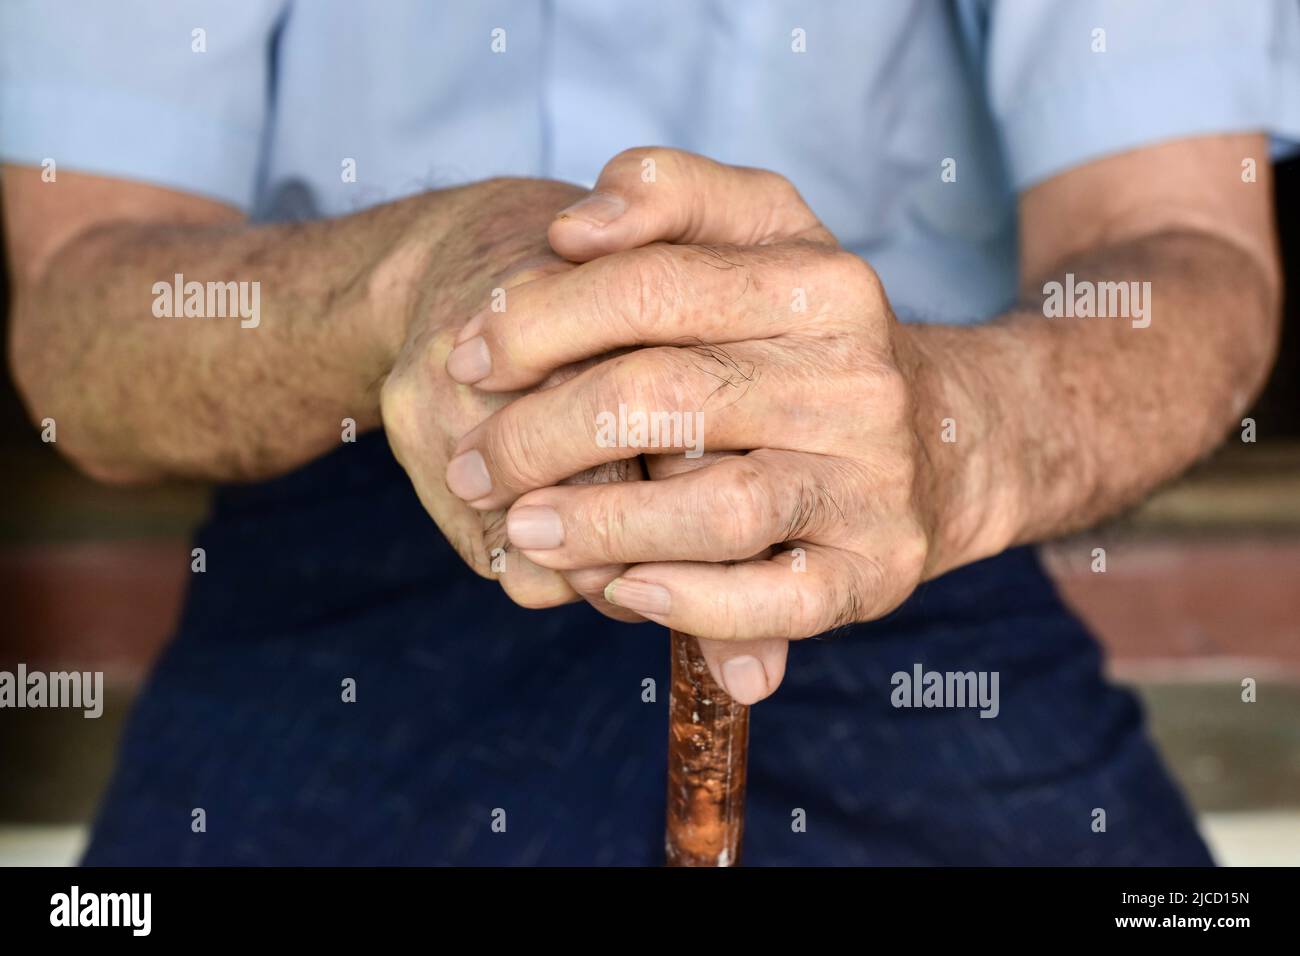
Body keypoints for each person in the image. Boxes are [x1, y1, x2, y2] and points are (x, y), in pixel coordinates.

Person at [2, 0, 1296, 865]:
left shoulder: (924, 456)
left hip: (900, 518)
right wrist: (407, 282)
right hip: (351, 507)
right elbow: (77, 317)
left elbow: (1186, 252)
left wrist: (951, 429)